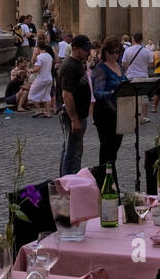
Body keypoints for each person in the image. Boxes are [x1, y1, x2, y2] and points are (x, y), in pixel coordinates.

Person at [57, 34, 92, 175]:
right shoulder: (70, 66)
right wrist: (74, 119)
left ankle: (66, 179)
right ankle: (69, 180)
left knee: (70, 148)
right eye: (85, 49)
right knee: (73, 151)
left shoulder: (76, 64)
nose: (87, 52)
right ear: (76, 49)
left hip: (79, 113)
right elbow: (67, 94)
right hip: (72, 114)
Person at [91, 36, 126, 166]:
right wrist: (113, 92)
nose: (115, 55)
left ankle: (110, 179)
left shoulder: (118, 65)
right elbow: (97, 92)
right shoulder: (101, 68)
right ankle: (105, 180)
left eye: (118, 52)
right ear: (105, 52)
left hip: (118, 111)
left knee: (114, 150)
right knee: (107, 149)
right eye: (112, 52)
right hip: (105, 112)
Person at [122, 32, 153, 123]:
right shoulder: (147, 51)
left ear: (133, 39)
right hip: (143, 76)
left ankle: (131, 116)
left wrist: (129, 68)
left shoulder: (128, 50)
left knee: (131, 96)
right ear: (142, 40)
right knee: (143, 97)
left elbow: (124, 64)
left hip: (131, 76)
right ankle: (143, 116)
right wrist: (143, 67)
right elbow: (151, 65)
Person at [28, 35, 54, 117]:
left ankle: (38, 110)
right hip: (49, 78)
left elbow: (37, 68)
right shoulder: (49, 56)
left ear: (38, 48)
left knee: (31, 94)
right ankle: (48, 112)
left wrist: (30, 70)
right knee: (47, 96)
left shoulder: (40, 57)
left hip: (41, 78)